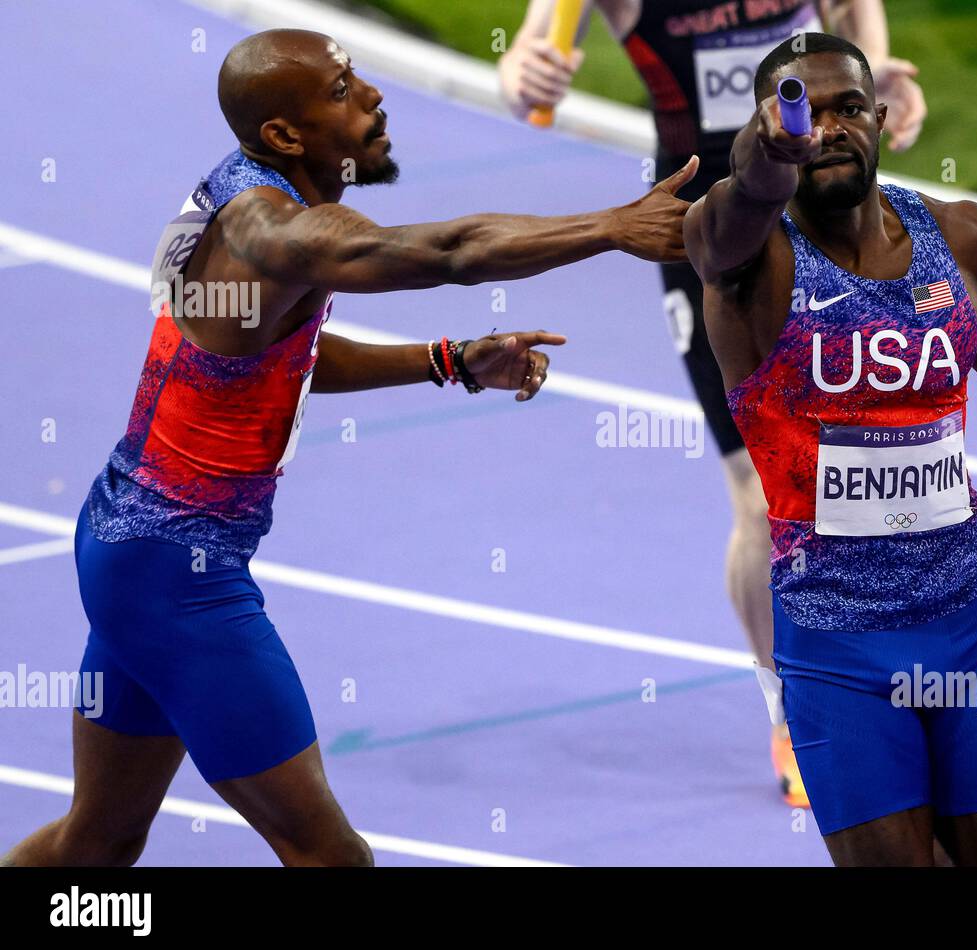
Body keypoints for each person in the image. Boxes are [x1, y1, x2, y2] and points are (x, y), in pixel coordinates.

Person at [1, 28, 694, 868]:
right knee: (332, 857)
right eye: (340, 89)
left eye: (357, 76)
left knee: (99, 841)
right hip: (178, 574)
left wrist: (450, 362)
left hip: (130, 545)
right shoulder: (273, 231)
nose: (372, 96)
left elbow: (281, 361)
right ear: (285, 135)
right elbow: (448, 251)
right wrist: (612, 226)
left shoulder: (255, 202)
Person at [682, 32, 977, 865]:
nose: (826, 129)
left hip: (967, 634)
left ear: (881, 118)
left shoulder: (965, 240)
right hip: (836, 654)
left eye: (846, 109)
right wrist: (768, 148)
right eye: (802, 112)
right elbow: (736, 205)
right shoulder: (742, 258)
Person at [500, 0, 926, 809]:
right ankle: (791, 710)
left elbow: (856, 12)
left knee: (871, 464)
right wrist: (521, 73)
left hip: (830, 214)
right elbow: (526, 72)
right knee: (764, 503)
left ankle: (890, 679)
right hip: (710, 235)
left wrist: (877, 72)